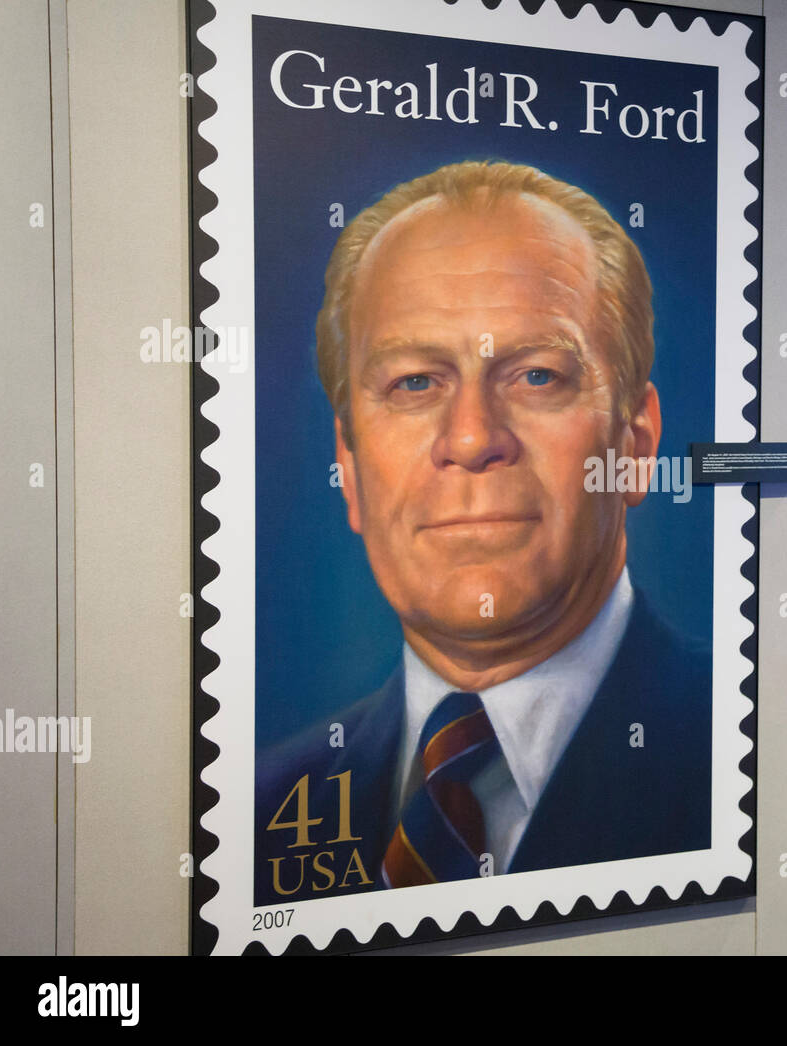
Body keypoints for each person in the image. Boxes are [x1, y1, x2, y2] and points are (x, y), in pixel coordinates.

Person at [254, 161, 711, 904]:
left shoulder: (746, 749)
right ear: (349, 463)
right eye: (413, 383)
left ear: (634, 448)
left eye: (536, 376)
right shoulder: (261, 808)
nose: (471, 439)